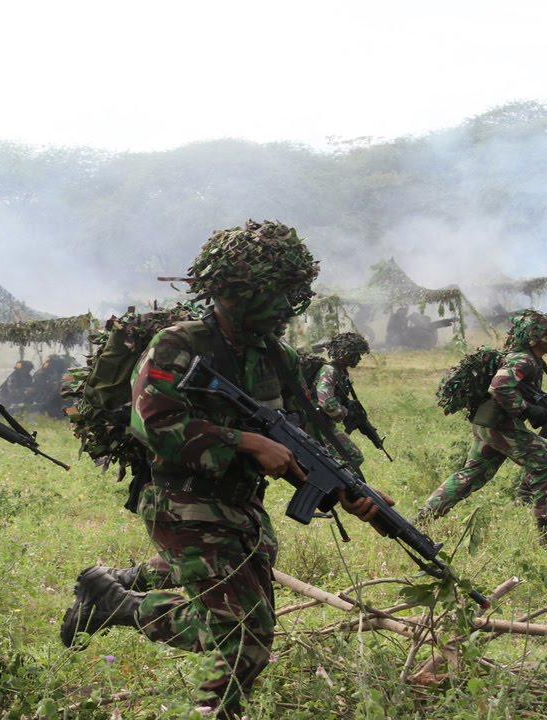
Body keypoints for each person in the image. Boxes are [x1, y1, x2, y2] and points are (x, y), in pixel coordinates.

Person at [59, 220, 385, 717]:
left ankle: (115, 593)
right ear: (236, 291)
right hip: (181, 502)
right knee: (244, 635)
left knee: (245, 614)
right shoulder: (178, 344)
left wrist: (350, 488)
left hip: (242, 505)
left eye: (290, 295)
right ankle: (124, 614)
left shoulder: (279, 358)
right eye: (275, 294)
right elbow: (154, 423)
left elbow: (308, 435)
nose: (285, 307)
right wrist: (245, 441)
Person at [418, 309, 547, 543]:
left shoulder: (528, 359)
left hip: (488, 422)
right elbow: (500, 386)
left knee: (471, 474)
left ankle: (423, 518)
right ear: (537, 337)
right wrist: (527, 410)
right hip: (500, 424)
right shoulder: (523, 359)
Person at [314, 331, 371, 469]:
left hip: (324, 424)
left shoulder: (341, 372)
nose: (358, 359)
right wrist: (345, 413)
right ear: (345, 353)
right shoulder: (329, 371)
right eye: (355, 355)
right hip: (315, 426)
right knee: (352, 457)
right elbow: (326, 401)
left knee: (352, 458)